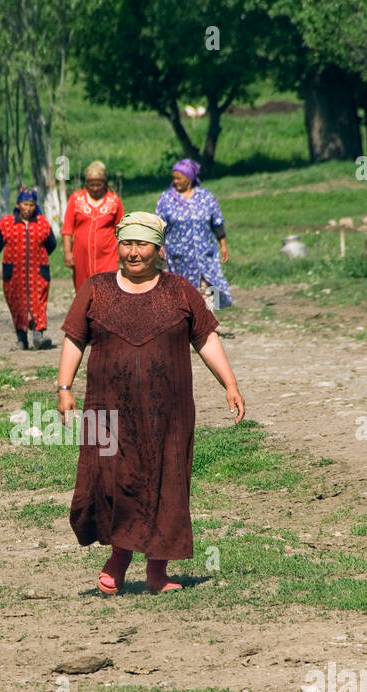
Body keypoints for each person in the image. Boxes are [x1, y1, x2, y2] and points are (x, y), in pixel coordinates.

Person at [57, 212, 245, 595]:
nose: (133, 252)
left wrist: (229, 383)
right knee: (112, 479)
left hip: (169, 411)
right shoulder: (96, 288)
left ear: (159, 249)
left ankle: (157, 571)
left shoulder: (180, 291)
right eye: (126, 243)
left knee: (166, 479)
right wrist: (64, 387)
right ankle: (119, 559)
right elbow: (75, 338)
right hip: (106, 411)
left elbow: (206, 338)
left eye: (141, 244)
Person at [0, 188, 56, 350]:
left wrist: (39, 255)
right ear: (18, 205)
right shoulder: (6, 223)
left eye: (31, 204)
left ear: (35, 205)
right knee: (17, 303)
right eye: (25, 204)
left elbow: (51, 244)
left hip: (38, 272)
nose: (28, 208)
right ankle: (21, 340)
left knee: (38, 301)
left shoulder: (43, 223)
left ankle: (38, 336)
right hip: (14, 274)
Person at [155, 158, 232, 310]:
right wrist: (159, 245)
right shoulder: (166, 198)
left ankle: (210, 324)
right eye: (174, 178)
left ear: (189, 178)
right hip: (177, 257)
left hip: (205, 253)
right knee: (181, 292)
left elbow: (217, 221)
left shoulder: (206, 197)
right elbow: (158, 224)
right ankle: (186, 326)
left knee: (210, 287)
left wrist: (223, 244)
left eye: (179, 178)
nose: (175, 181)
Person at [62, 161, 124, 292]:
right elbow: (67, 228)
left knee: (108, 290)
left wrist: (124, 253)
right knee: (84, 292)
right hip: (81, 257)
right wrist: (67, 252)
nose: (95, 188)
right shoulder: (76, 199)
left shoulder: (114, 201)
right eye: (91, 185)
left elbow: (122, 229)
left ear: (104, 183)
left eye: (98, 185)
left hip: (108, 257)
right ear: (86, 183)